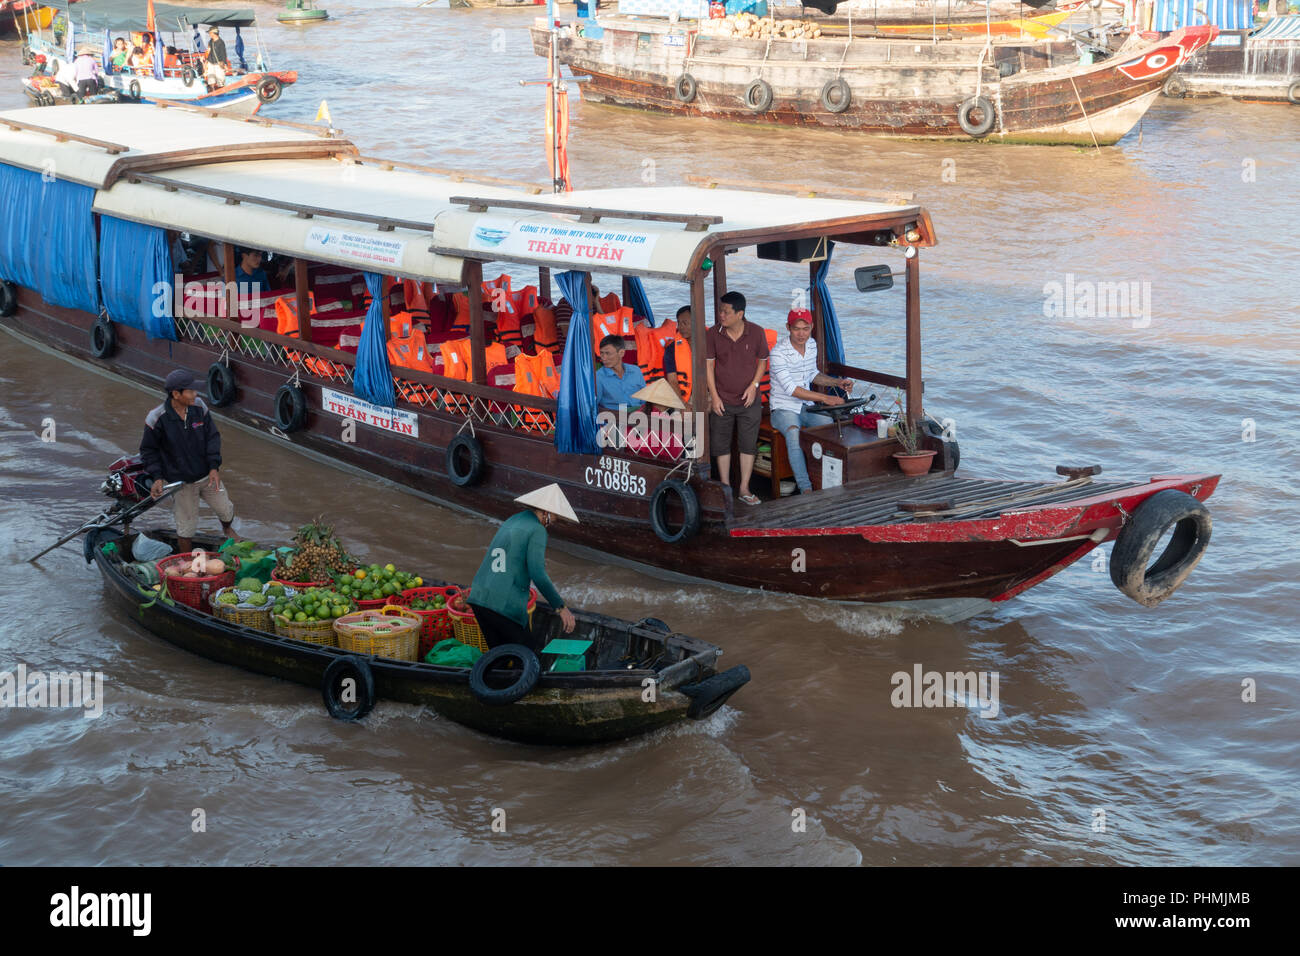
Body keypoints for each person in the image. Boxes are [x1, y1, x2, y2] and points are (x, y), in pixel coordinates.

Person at [140, 370, 239, 556]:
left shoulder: (199, 407)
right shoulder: (156, 418)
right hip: (180, 482)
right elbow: (148, 451)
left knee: (225, 509)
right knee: (186, 526)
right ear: (176, 394)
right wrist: (157, 477)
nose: (196, 394)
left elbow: (212, 437)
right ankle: (186, 559)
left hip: (206, 475)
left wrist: (214, 467)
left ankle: (227, 529)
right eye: (191, 391)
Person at [468, 484, 577, 651]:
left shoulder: (513, 520)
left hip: (479, 597)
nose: (552, 523)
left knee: (499, 657)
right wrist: (561, 607)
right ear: (546, 512)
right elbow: (538, 574)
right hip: (503, 605)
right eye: (555, 518)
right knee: (528, 658)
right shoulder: (537, 530)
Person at [769, 308, 855, 494]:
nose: (801, 334)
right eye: (796, 329)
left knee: (829, 426)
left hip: (806, 407)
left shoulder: (812, 345)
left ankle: (829, 480)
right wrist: (826, 398)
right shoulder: (778, 353)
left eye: (805, 329)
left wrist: (838, 382)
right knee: (793, 434)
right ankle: (806, 488)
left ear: (812, 327)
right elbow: (792, 389)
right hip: (783, 409)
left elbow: (812, 375)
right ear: (788, 328)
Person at [706, 290, 769, 506]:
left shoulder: (757, 332)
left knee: (748, 444)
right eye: (720, 311)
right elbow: (709, 365)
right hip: (722, 398)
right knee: (720, 444)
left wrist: (754, 386)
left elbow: (762, 361)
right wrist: (714, 397)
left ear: (739, 313)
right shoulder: (713, 333)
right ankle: (725, 487)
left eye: (725, 312)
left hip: (749, 401)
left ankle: (744, 487)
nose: (721, 315)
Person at [595, 334, 646, 413]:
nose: (603, 358)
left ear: (621, 353)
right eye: (602, 353)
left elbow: (644, 398)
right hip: (614, 419)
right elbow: (593, 406)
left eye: (608, 353)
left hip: (640, 416)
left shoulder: (635, 371)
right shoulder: (598, 377)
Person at [660, 304, 693, 402]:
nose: (680, 327)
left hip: (707, 394)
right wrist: (683, 405)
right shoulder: (671, 349)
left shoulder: (710, 342)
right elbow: (673, 381)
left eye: (685, 323)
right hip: (682, 396)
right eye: (679, 323)